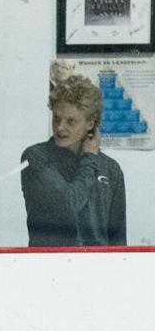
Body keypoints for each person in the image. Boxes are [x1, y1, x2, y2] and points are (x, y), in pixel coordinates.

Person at [21, 74, 126, 246]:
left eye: (71, 121)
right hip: (49, 266)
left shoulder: (111, 169)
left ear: (90, 124)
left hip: (97, 268)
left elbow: (118, 237)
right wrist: (90, 158)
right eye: (56, 118)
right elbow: (69, 205)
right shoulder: (35, 156)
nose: (60, 127)